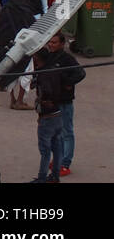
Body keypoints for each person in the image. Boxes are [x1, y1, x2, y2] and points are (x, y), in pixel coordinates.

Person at [32, 32, 85, 180]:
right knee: (57, 136)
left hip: (65, 102)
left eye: (54, 43)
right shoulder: (49, 57)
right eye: (50, 42)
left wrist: (68, 82)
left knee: (67, 132)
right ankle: (58, 160)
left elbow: (81, 73)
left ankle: (65, 163)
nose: (51, 45)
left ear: (62, 44)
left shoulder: (67, 59)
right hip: (54, 104)